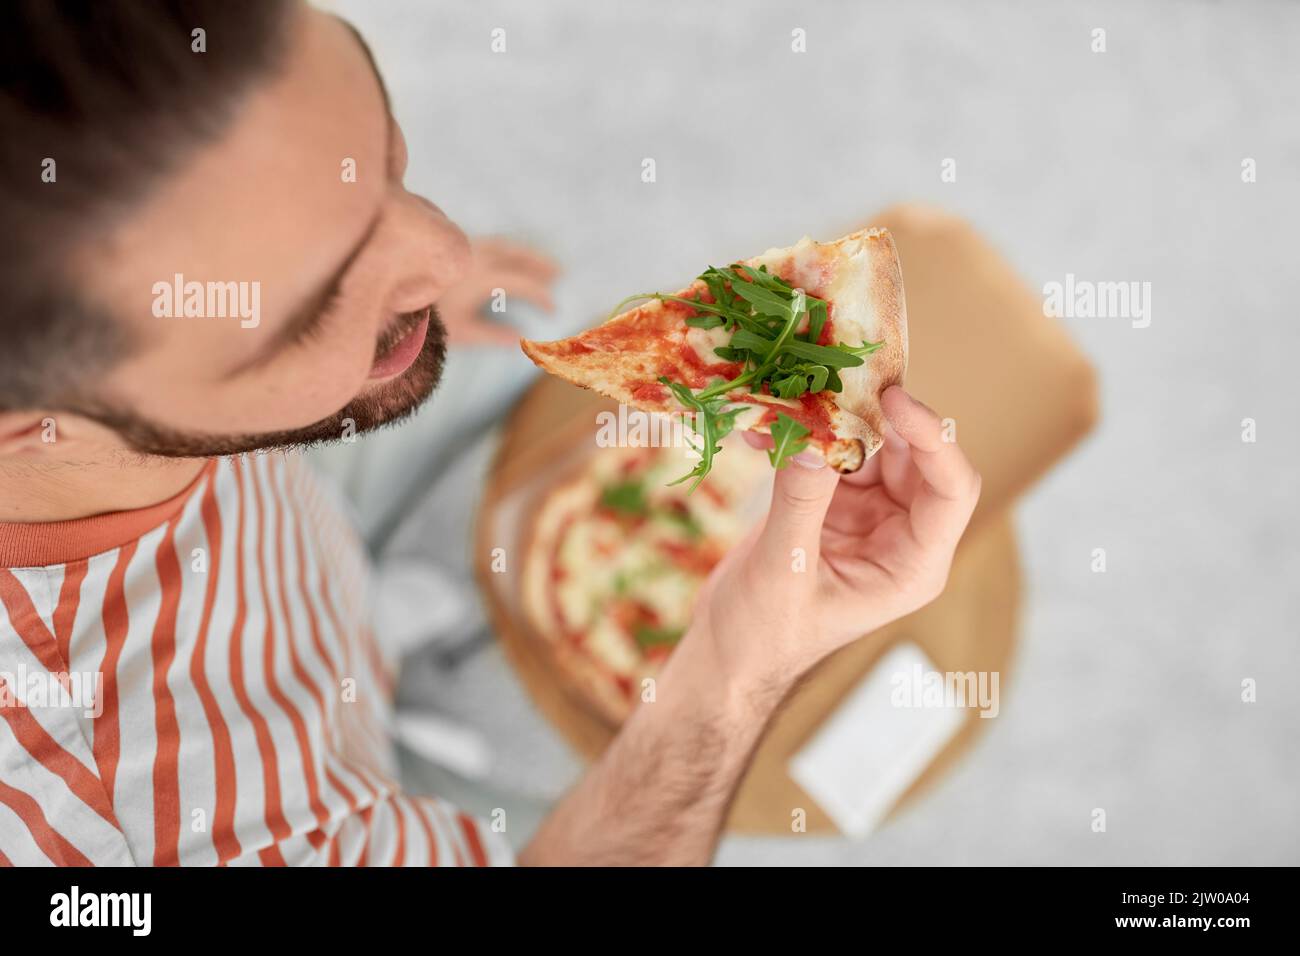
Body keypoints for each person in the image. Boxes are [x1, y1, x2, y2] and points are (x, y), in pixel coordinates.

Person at [0, 0, 979, 866]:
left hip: (318, 574)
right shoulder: (171, 831)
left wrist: (360, 278)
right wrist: (731, 673)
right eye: (307, 305)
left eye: (384, 154)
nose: (447, 250)